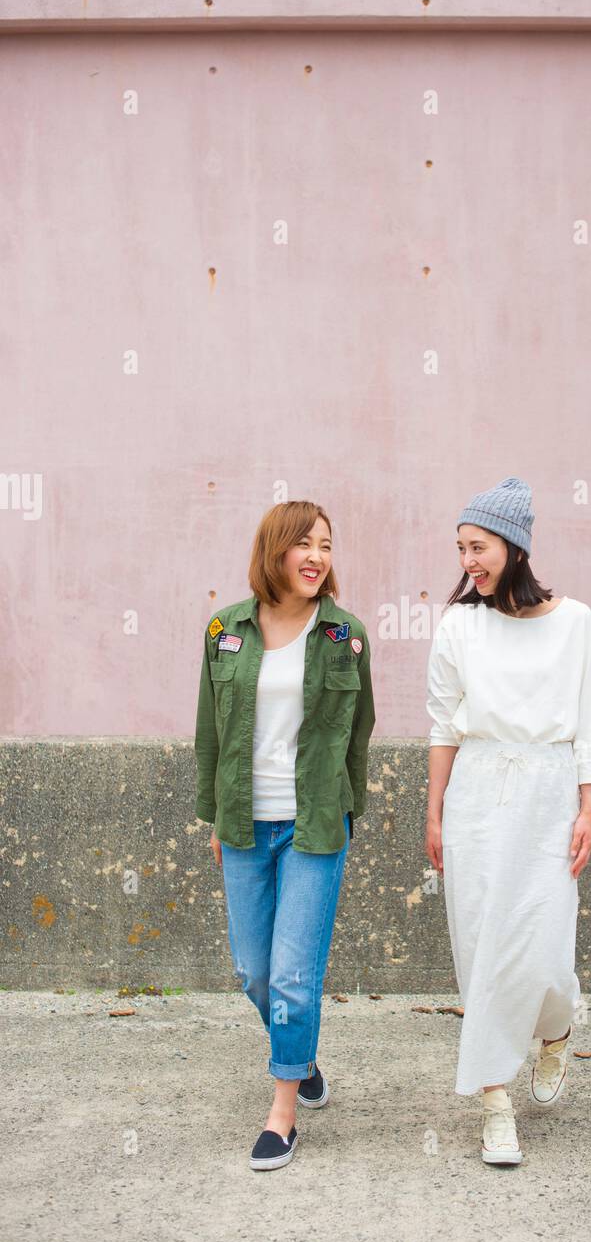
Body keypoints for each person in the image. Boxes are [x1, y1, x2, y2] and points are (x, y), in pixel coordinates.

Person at [424, 476, 591, 1166]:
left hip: (548, 794)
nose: (467, 561)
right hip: (476, 793)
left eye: (478, 547)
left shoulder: (575, 621)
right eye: (460, 549)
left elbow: (587, 714)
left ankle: (557, 1030)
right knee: (482, 952)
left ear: (515, 546)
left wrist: (589, 803)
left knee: (545, 950)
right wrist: (434, 809)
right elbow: (444, 723)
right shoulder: (458, 625)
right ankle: (494, 1104)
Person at [194, 501, 375, 1171]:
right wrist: (216, 815)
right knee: (254, 972)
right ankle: (301, 1061)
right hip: (243, 821)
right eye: (303, 543)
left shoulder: (343, 635)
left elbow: (359, 733)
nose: (316, 556)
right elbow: (209, 728)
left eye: (326, 544)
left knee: (295, 976)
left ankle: (282, 1114)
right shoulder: (225, 628)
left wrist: (344, 811)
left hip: (313, 824)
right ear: (273, 550)